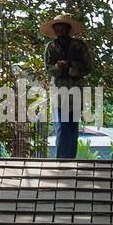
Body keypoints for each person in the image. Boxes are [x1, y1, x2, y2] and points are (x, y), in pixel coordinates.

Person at [40, 13, 92, 160]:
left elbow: (88, 67)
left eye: (62, 28)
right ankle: (62, 160)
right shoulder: (51, 47)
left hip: (76, 91)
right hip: (58, 91)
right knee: (61, 126)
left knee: (72, 127)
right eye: (57, 28)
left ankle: (69, 158)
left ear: (68, 29)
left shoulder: (79, 46)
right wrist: (58, 67)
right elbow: (48, 69)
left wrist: (71, 66)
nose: (59, 31)